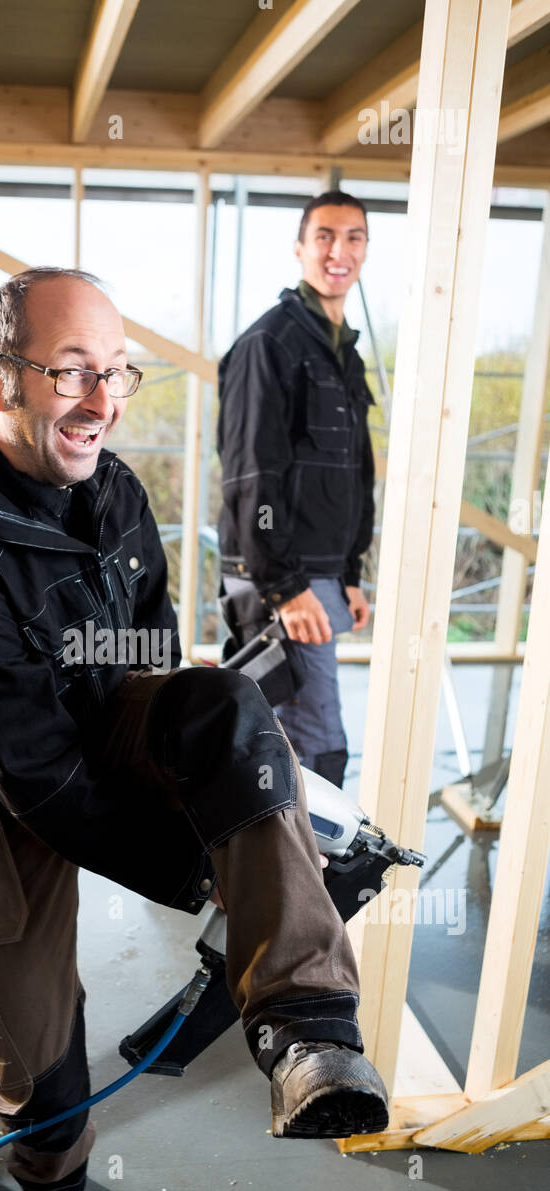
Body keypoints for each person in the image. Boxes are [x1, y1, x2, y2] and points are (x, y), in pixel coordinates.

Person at [0, 266, 387, 1191]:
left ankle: (305, 1027)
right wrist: (203, 873)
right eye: (69, 372)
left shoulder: (114, 490)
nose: (100, 402)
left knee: (231, 712)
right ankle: (52, 1186)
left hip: (91, 722)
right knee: (33, 1031)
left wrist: (238, 804)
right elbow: (47, 791)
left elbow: (152, 668)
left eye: (115, 373)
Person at [217, 190, 376, 788]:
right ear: (300, 248)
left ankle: (284, 879)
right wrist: (285, 589)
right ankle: (296, 882)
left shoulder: (342, 353)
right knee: (312, 746)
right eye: (326, 236)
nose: (340, 250)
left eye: (354, 237)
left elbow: (355, 472)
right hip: (281, 579)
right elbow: (250, 473)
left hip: (322, 574)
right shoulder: (271, 344)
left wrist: (351, 572)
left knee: (294, 743)